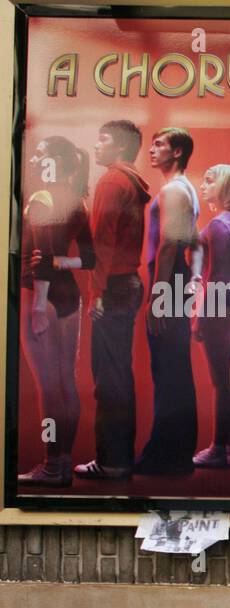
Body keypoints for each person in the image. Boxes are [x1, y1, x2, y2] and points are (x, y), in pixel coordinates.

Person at [74, 120, 149, 481]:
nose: (95, 146)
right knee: (120, 375)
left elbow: (101, 245)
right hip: (129, 282)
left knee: (108, 378)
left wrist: (96, 294)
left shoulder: (110, 181)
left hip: (113, 287)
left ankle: (111, 462)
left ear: (119, 145)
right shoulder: (132, 181)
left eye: (102, 139)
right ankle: (120, 458)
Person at [18, 136, 95, 487]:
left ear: (55, 161)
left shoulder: (41, 197)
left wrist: (36, 305)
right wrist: (60, 262)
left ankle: (51, 464)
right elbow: (88, 259)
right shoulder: (78, 200)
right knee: (66, 382)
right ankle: (62, 461)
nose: (34, 158)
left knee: (48, 387)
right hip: (68, 297)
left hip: (42, 296)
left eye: (40, 154)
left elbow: (43, 261)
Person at [135, 126, 199, 475]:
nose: (152, 149)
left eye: (159, 144)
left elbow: (171, 244)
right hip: (175, 281)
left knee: (169, 370)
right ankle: (174, 453)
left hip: (170, 282)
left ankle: (166, 455)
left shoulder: (175, 190)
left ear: (177, 152)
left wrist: (158, 295)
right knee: (174, 369)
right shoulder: (183, 188)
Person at [191, 164, 230, 468]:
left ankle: (219, 447)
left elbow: (218, 276)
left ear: (224, 186)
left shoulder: (218, 225)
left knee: (220, 381)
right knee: (223, 380)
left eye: (210, 181)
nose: (204, 185)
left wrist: (200, 313)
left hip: (219, 304)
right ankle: (226, 448)